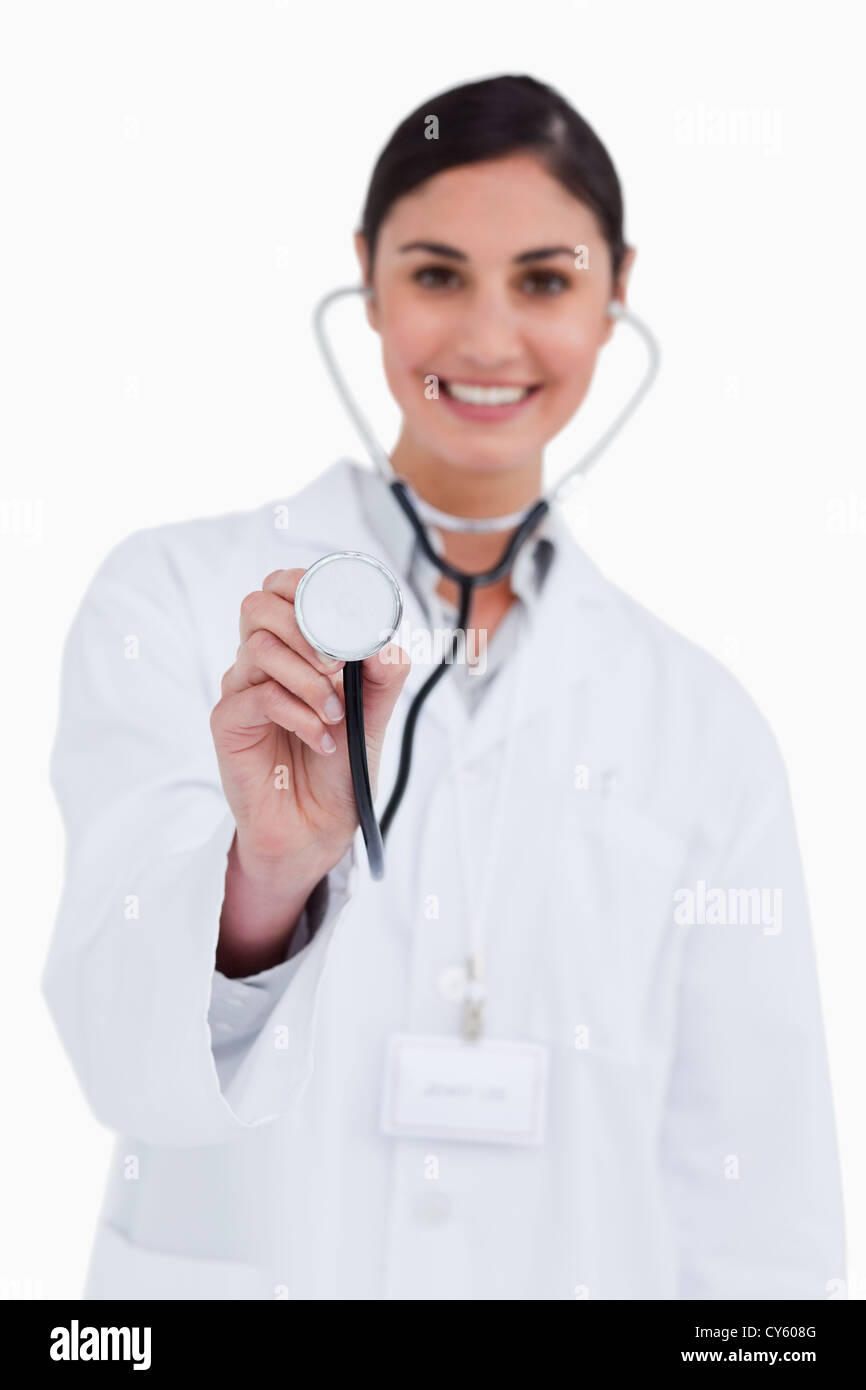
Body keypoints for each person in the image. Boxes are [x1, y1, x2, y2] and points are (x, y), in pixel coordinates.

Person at [42, 73, 845, 1301]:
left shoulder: (703, 725)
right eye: (433, 273)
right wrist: (265, 873)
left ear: (615, 288)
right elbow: (116, 1052)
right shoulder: (174, 598)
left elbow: (751, 1194)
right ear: (364, 275)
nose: (483, 339)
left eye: (543, 278)